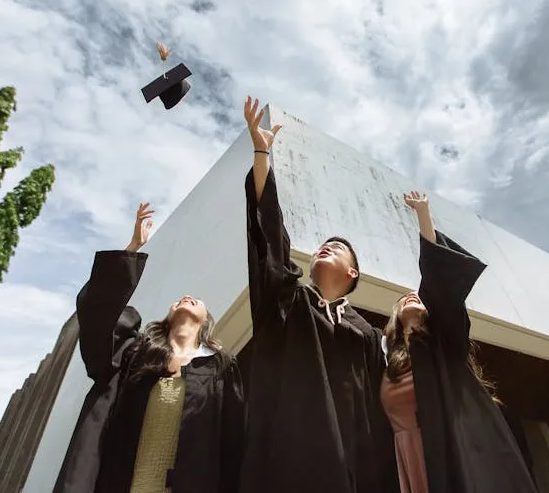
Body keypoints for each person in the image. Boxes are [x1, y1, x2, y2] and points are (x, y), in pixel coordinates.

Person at [238, 96, 399, 493]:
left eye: (337, 247)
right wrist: (262, 153)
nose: (325, 247)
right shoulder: (290, 302)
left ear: (353, 272)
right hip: (288, 462)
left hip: (357, 470)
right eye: (322, 245)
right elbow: (270, 240)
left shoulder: (368, 336)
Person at [53, 203, 246, 493]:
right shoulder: (133, 354)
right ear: (167, 316)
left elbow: (233, 444)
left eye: (196, 299)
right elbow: (97, 318)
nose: (187, 296)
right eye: (178, 298)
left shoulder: (220, 369)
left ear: (207, 320)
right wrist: (131, 249)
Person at [380, 191, 537, 493]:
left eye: (417, 295)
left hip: (455, 451)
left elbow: (440, 285)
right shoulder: (386, 358)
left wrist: (423, 216)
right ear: (395, 315)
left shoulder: (444, 341)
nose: (410, 296)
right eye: (403, 299)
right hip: (408, 458)